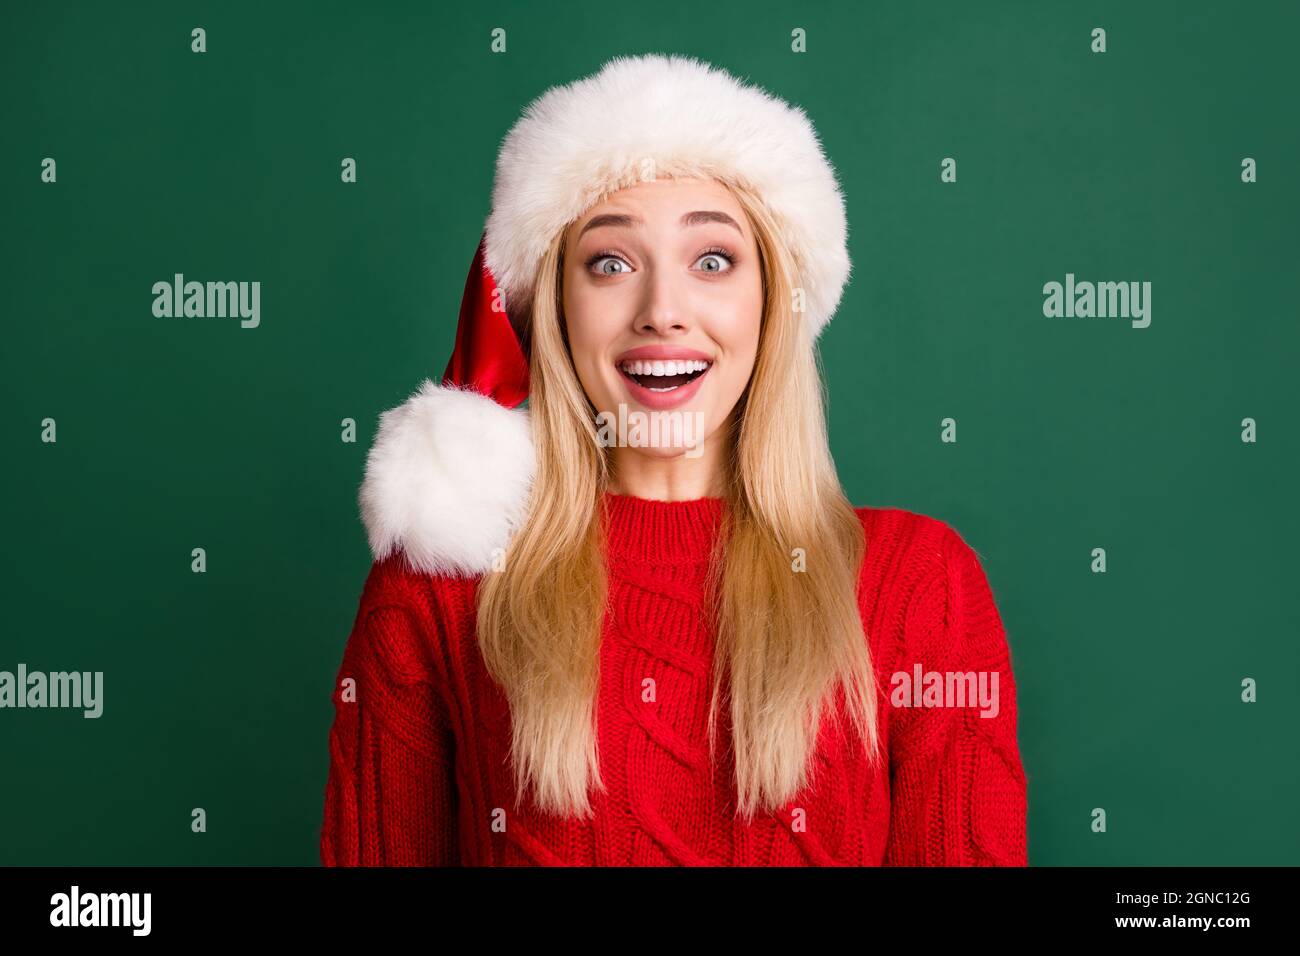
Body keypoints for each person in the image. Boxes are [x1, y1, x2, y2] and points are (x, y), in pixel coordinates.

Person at [320, 53, 1028, 866]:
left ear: (774, 304)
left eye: (714, 260)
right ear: (554, 307)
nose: (662, 311)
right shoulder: (442, 588)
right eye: (610, 263)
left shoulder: (919, 588)